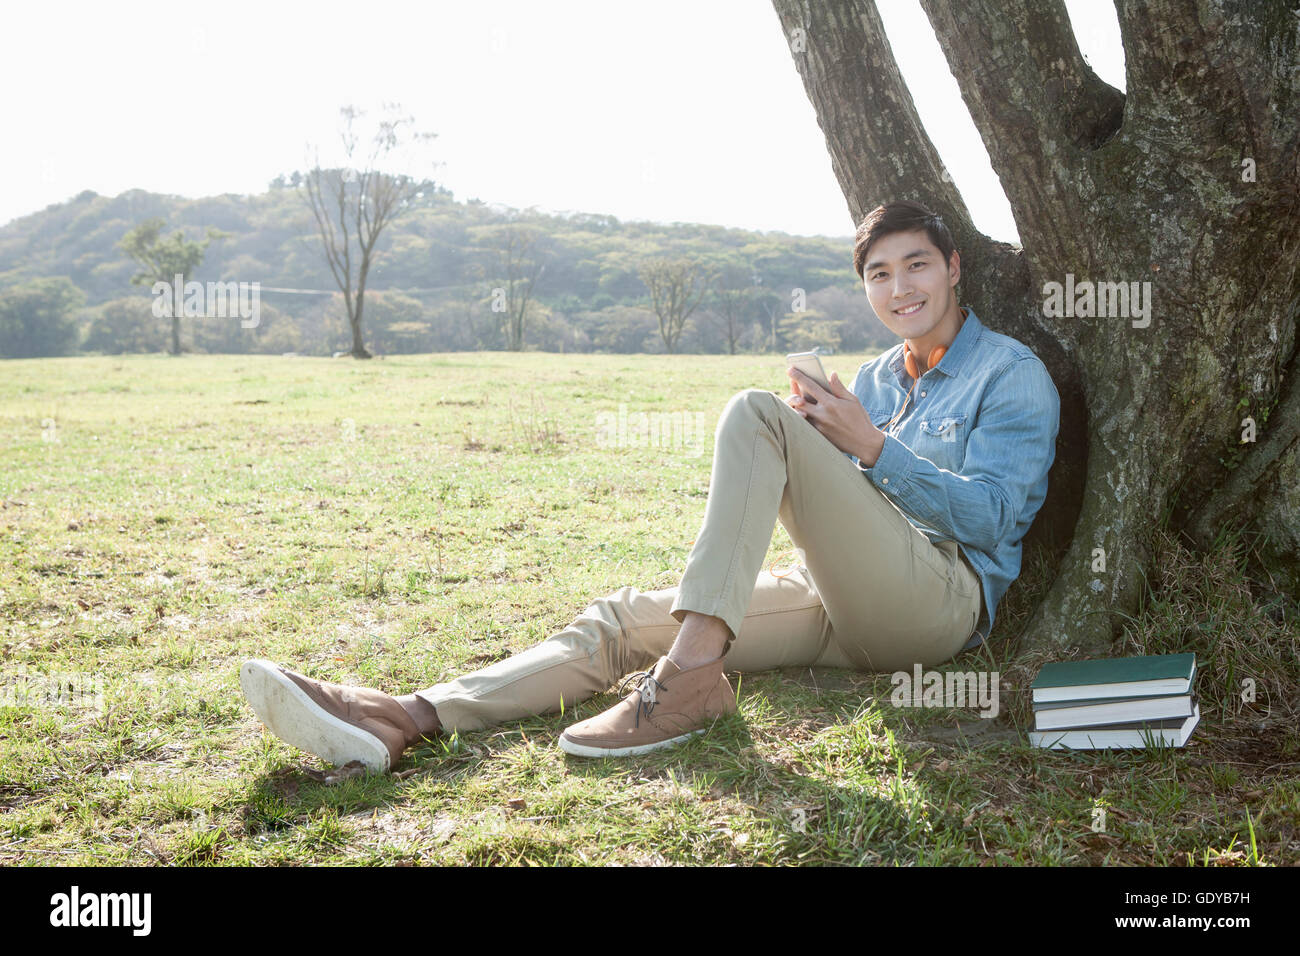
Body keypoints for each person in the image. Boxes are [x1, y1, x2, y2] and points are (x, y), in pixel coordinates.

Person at [240, 200, 1061, 773]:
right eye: (879, 274)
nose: (899, 288)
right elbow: (857, 509)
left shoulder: (1010, 373)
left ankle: (691, 682)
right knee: (624, 619)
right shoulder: (879, 376)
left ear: (954, 269)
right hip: (842, 600)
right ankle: (406, 716)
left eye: (917, 265)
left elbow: (991, 519)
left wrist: (873, 451)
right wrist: (840, 451)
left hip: (939, 606)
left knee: (757, 412)